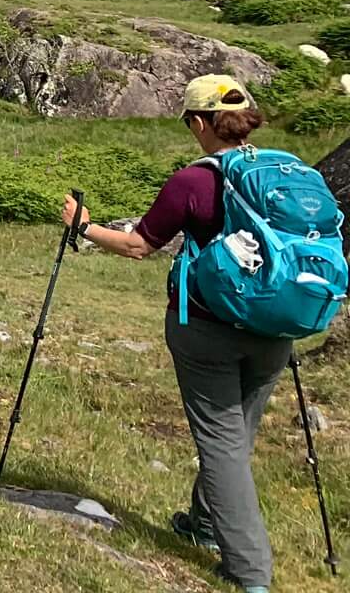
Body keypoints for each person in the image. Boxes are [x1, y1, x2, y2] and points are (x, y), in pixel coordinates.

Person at [64, 75, 287, 593]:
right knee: (237, 436)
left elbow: (140, 245)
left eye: (190, 121)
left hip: (208, 327)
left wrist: (82, 226)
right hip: (276, 327)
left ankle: (249, 573)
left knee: (221, 444)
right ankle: (205, 525)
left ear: (200, 122)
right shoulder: (278, 170)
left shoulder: (194, 181)